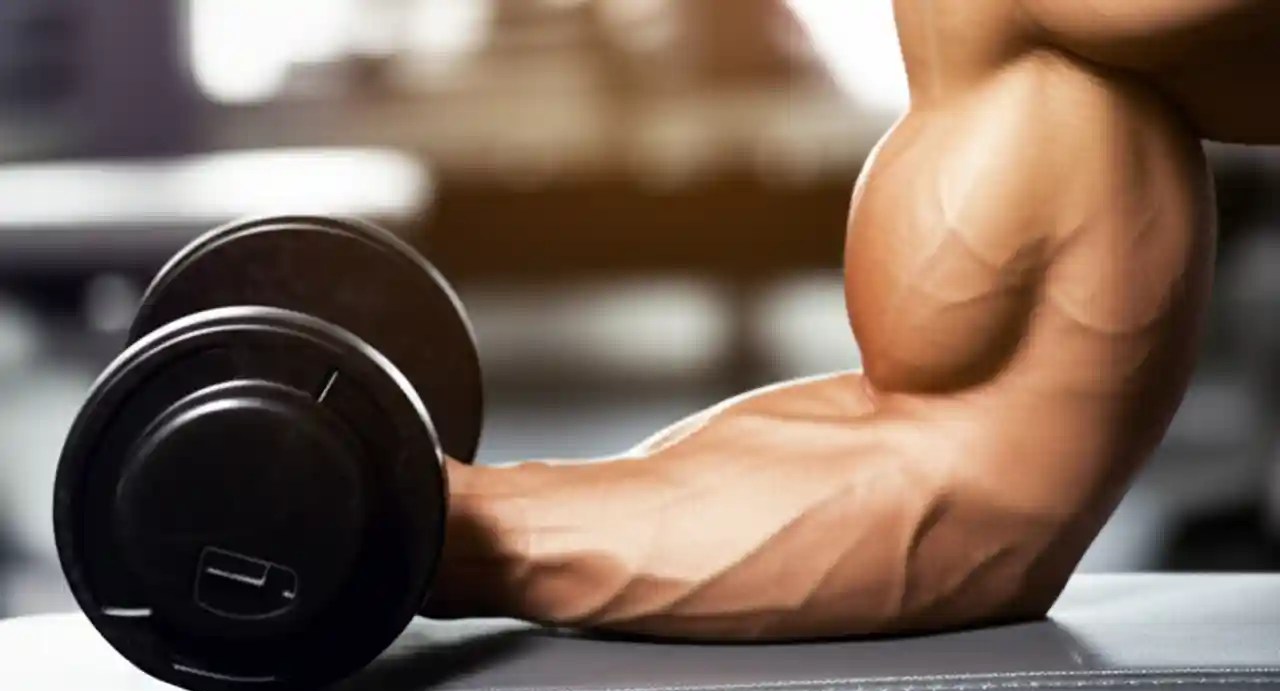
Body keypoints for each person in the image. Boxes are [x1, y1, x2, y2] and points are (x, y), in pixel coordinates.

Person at [427, 0, 1280, 638]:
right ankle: (422, 510)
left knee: (471, 529)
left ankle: (416, 523)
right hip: (899, 440)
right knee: (525, 496)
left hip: (966, 525)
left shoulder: (1089, 48)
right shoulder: (1011, 74)